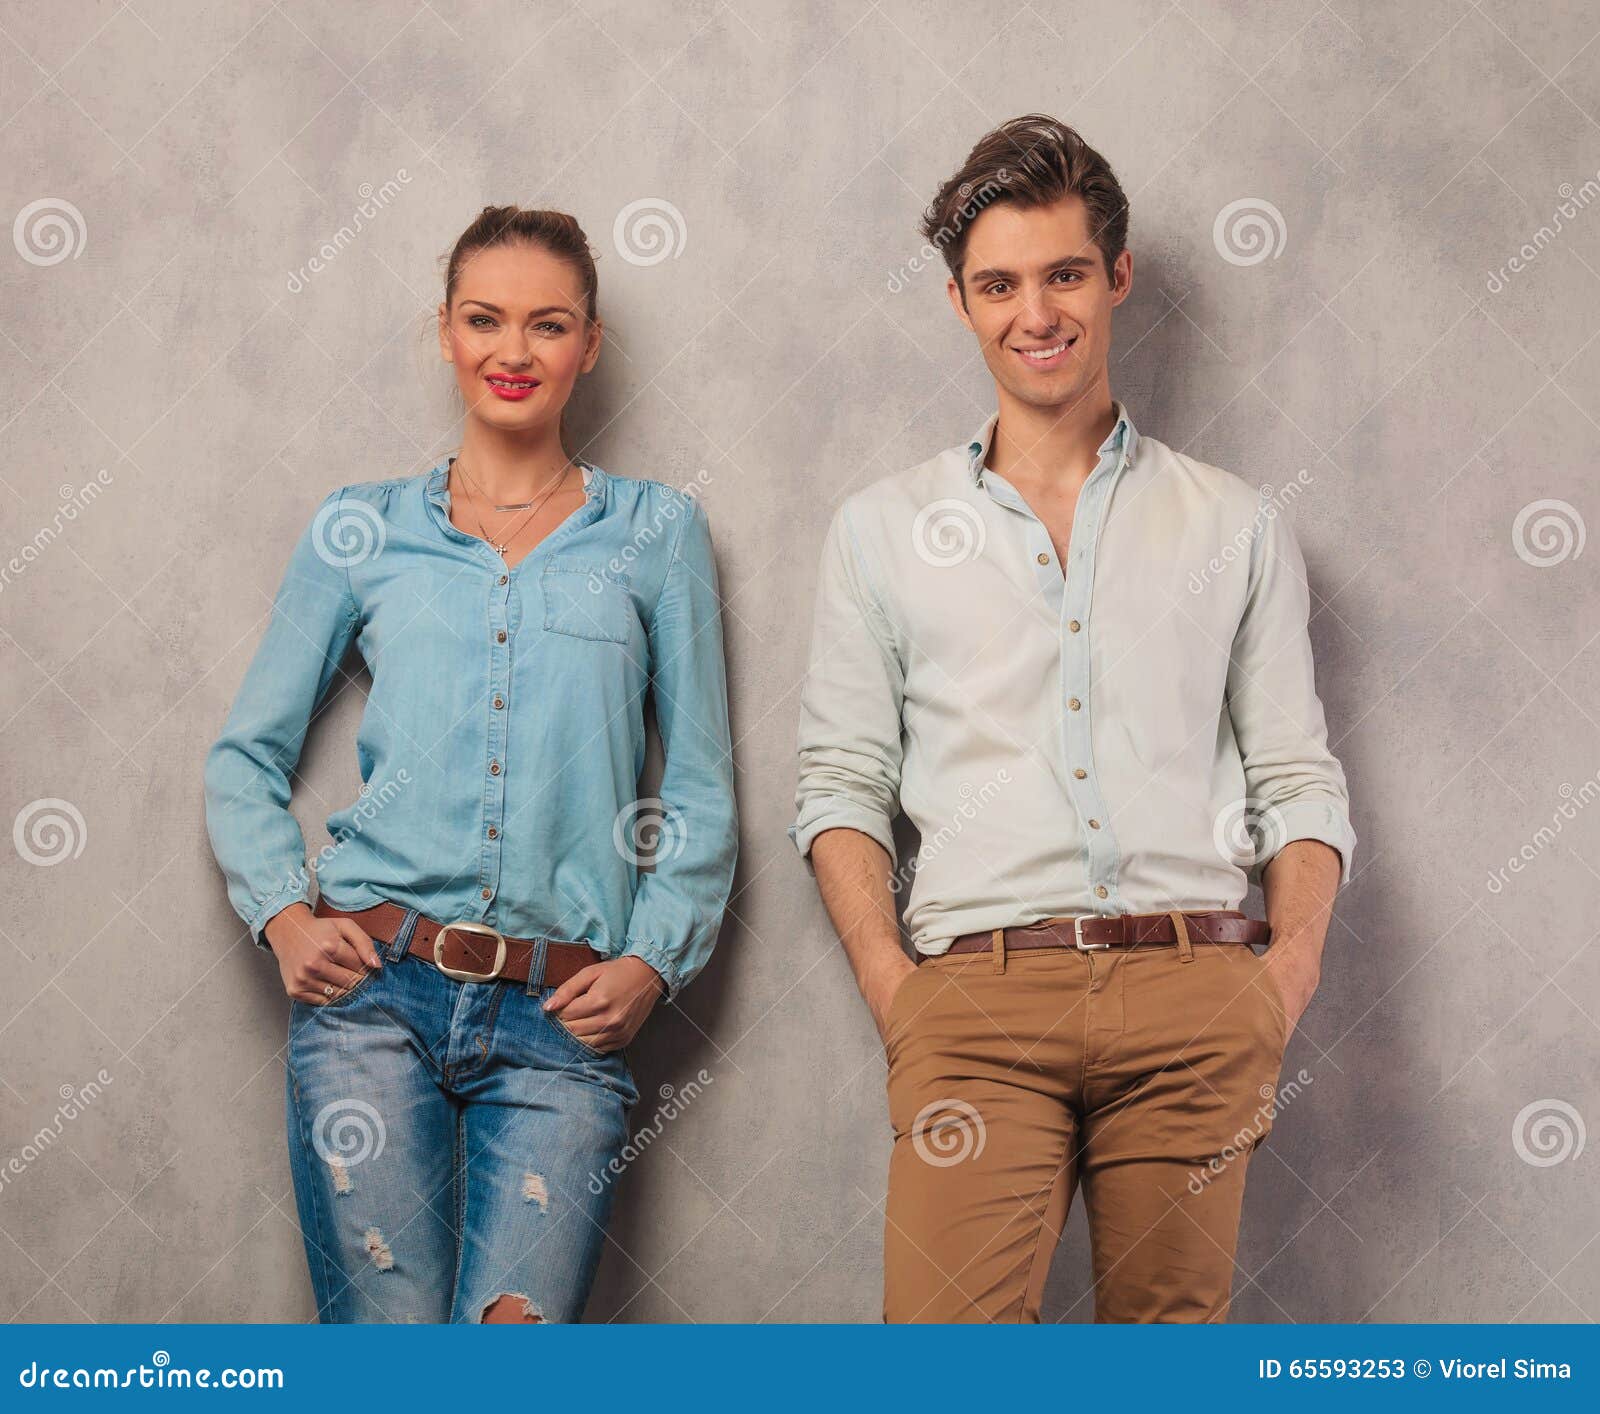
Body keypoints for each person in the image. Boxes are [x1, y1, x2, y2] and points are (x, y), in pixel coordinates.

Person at [791, 116, 1354, 1323]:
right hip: (975, 1004)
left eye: (1062, 274)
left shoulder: (1235, 524)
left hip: (1196, 993)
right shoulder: (880, 531)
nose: (1033, 314)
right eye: (997, 284)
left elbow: (1297, 775)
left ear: (1115, 277)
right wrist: (899, 988)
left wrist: (1283, 972)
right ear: (958, 301)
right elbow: (840, 786)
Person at [205, 205, 737, 1323]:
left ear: (587, 344)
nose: (513, 351)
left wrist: (653, 960)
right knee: (390, 1352)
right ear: (442, 332)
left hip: (561, 1016)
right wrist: (284, 915)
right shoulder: (361, 529)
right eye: (484, 320)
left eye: (547, 325)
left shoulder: (659, 532)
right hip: (371, 998)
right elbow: (244, 755)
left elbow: (693, 785)